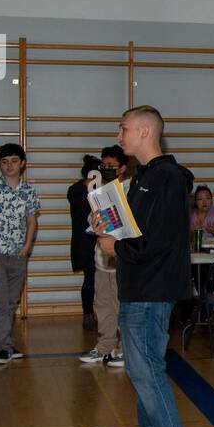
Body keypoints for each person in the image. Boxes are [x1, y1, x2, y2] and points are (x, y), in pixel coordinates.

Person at [96, 105, 195, 427]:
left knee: (147, 370)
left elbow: (159, 240)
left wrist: (115, 248)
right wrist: (106, 226)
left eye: (123, 129)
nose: (119, 136)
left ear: (142, 131)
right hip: (137, 284)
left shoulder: (168, 178)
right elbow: (134, 227)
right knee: (141, 370)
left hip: (153, 288)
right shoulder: (143, 177)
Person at [0, 142, 40, 364]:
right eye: (4, 162)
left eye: (14, 161)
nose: (9, 166)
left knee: (12, 301)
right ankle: (3, 347)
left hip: (18, 253)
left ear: (22, 164)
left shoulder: (28, 191)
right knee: (0, 300)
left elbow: (32, 220)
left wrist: (27, 246)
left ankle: (8, 344)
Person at [80, 147, 128, 367]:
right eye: (104, 166)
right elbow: (92, 221)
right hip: (102, 259)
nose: (107, 170)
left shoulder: (129, 189)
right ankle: (105, 346)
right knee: (103, 304)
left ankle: (125, 348)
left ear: (123, 169)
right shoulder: (97, 192)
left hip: (123, 258)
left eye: (112, 167)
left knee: (123, 304)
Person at [67, 154, 100, 330]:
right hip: (89, 242)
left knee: (91, 279)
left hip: (83, 242)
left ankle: (89, 314)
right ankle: (89, 314)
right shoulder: (82, 191)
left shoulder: (74, 189)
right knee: (92, 279)